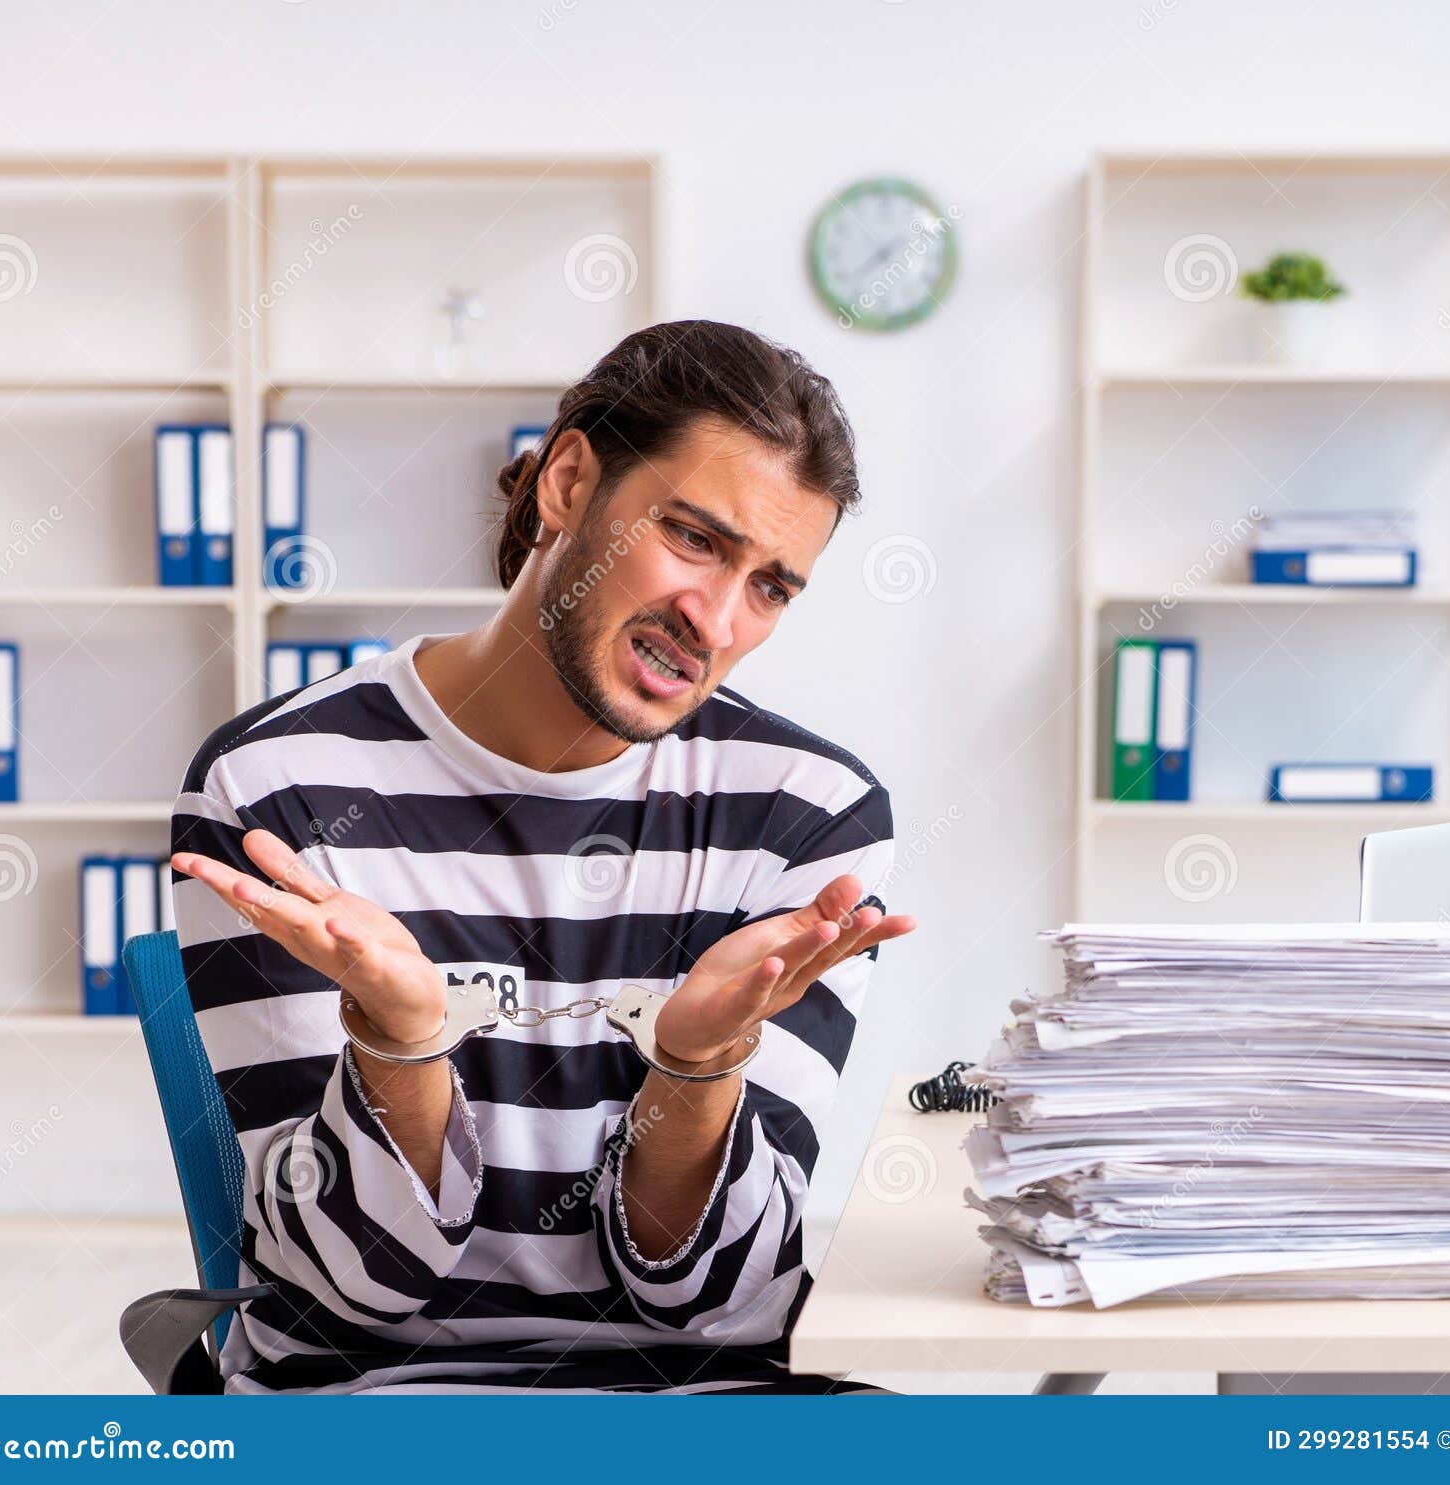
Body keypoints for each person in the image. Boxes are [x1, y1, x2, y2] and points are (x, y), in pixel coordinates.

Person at [168, 319, 914, 1393]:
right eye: (694, 537)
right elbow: (347, 1288)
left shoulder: (804, 814)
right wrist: (401, 1047)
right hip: (376, 1409)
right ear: (568, 481)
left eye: (770, 586)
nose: (712, 618)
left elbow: (714, 1301)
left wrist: (695, 1070)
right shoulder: (279, 785)